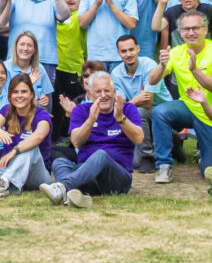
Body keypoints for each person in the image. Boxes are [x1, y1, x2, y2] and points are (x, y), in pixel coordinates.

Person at [150, 10, 212, 179]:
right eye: (186, 29)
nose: (191, 33)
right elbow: (152, 80)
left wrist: (195, 70)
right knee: (160, 112)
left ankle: (204, 153)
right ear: (180, 32)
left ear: (205, 29)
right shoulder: (176, 52)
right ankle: (164, 165)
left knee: (210, 171)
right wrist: (161, 65)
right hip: (187, 107)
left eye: (195, 28)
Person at [47, 69, 145, 207]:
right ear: (91, 95)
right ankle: (75, 196)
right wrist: (91, 120)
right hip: (87, 174)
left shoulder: (128, 109)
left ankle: (63, 187)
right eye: (99, 92)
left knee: (100, 155)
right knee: (59, 163)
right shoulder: (81, 111)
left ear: (114, 92)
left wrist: (121, 119)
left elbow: (139, 138)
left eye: (107, 91)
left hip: (117, 177)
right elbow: (76, 141)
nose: (103, 95)